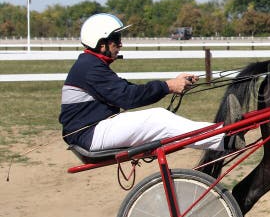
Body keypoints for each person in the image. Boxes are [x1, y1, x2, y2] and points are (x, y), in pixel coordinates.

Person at [59, 13, 243, 152]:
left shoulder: (90, 64)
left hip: (92, 130)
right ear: (101, 44)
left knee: (159, 118)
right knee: (158, 120)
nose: (120, 44)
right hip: (88, 134)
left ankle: (222, 134)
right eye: (116, 40)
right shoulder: (90, 67)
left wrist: (172, 84)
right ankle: (224, 137)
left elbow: (126, 90)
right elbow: (128, 98)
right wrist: (168, 86)